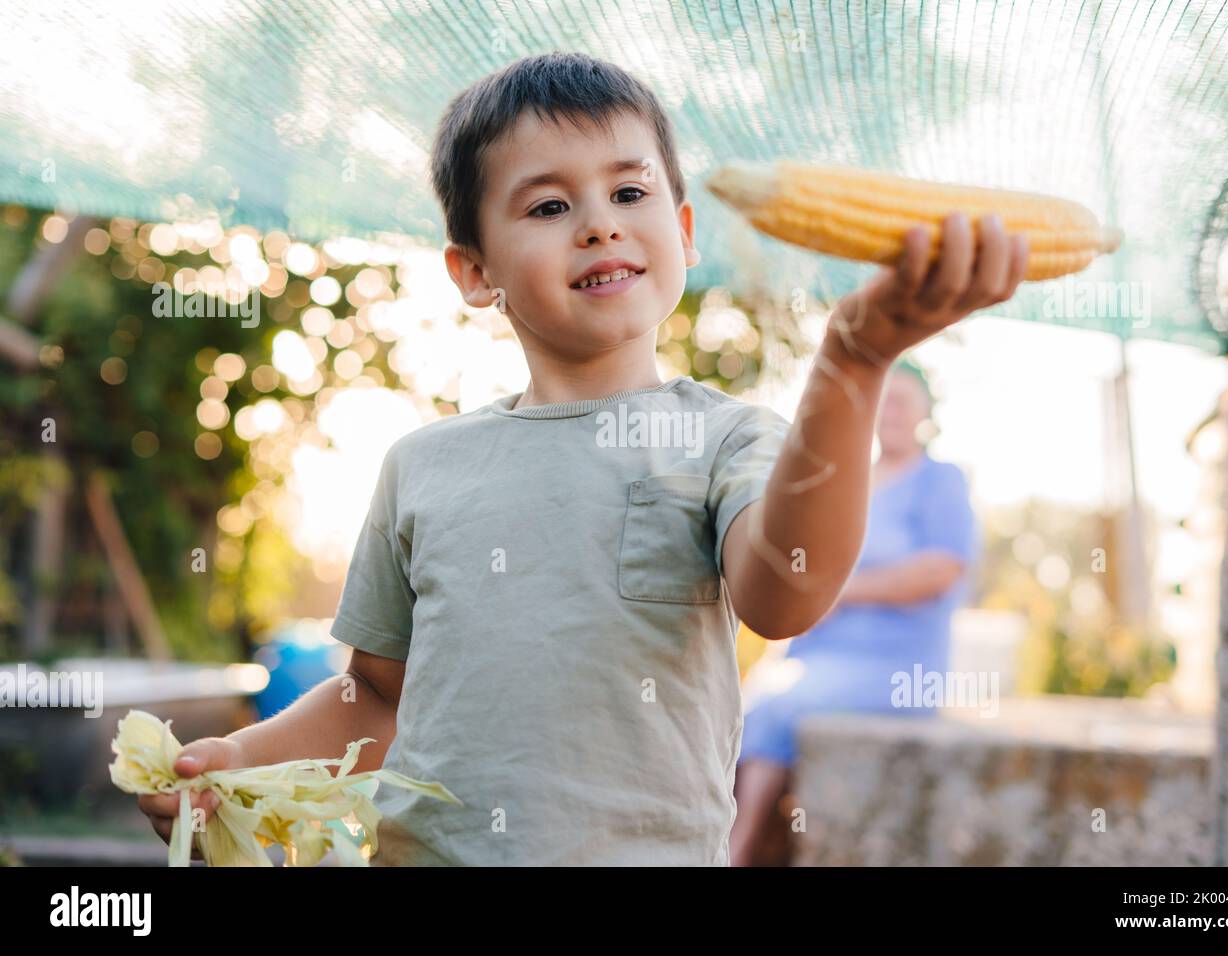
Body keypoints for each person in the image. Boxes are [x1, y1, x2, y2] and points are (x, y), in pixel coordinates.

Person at [136, 52, 1028, 865]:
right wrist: (237, 759)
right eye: (550, 206)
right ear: (474, 271)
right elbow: (375, 694)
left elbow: (787, 591)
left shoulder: (728, 440)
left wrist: (853, 362)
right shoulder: (422, 465)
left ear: (683, 230)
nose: (600, 225)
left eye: (630, 193)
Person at [729, 358, 980, 866]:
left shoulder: (941, 480)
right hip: (816, 655)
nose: (890, 412)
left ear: (926, 412)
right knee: (736, 706)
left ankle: (734, 850)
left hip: (896, 668)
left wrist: (841, 593)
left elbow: (940, 570)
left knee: (776, 707)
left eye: (903, 401)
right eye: (882, 400)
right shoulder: (848, 479)